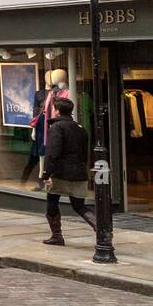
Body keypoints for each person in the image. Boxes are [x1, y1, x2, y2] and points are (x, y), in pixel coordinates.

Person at [42, 98, 96, 245]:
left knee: (52, 202)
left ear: (57, 110)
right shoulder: (80, 128)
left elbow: (53, 153)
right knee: (79, 206)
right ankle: (102, 231)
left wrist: (46, 173)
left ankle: (57, 236)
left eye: (53, 108)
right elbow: (85, 153)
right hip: (79, 172)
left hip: (61, 173)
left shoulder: (57, 127)